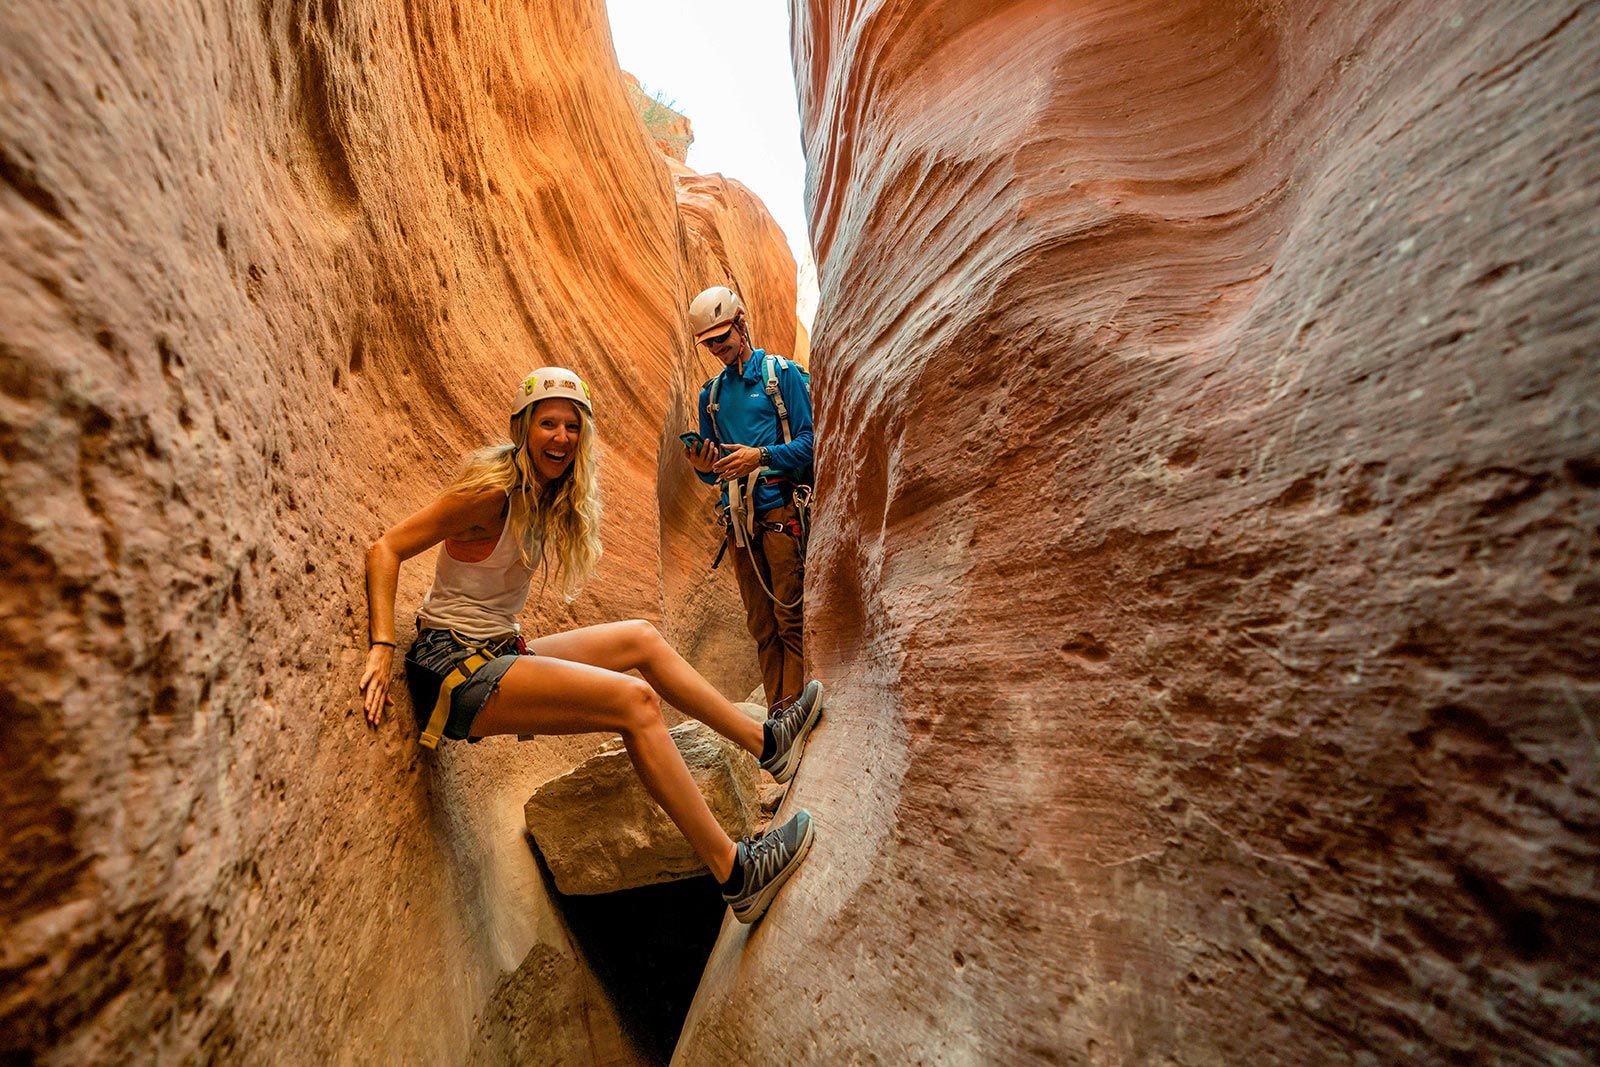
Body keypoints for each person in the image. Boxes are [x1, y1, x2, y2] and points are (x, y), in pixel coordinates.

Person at [358, 367, 824, 923]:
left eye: (572, 426)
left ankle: (765, 741)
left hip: (496, 651)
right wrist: (382, 646)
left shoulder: (547, 495)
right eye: (547, 423)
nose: (560, 437)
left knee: (641, 640)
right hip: (454, 669)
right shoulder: (488, 494)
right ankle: (737, 873)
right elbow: (386, 548)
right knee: (635, 702)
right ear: (523, 428)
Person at [684, 286, 814, 711]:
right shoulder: (712, 396)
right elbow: (711, 475)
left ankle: (793, 710)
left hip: (779, 508)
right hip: (739, 520)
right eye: (710, 343)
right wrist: (704, 463)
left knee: (790, 617)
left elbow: (813, 444)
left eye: (723, 337)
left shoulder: (782, 375)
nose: (719, 348)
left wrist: (760, 456)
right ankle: (779, 717)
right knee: (761, 625)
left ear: (741, 324)